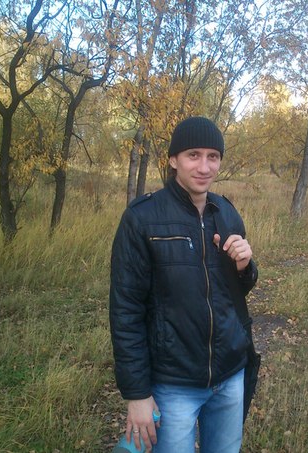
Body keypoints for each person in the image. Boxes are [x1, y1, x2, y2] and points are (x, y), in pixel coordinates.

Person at [109, 116, 258, 453]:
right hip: (173, 384)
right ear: (174, 159)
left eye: (213, 156)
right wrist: (137, 394)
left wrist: (245, 267)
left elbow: (233, 293)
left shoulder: (226, 213)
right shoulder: (142, 218)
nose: (204, 167)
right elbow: (125, 310)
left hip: (230, 375)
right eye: (194, 155)